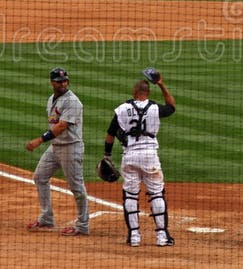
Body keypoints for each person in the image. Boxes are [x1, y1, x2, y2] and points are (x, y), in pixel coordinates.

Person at [103, 71, 176, 247]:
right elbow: (171, 106)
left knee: (130, 194)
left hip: (129, 156)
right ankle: (162, 237)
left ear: (134, 92)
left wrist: (107, 155)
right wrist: (161, 84)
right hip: (150, 156)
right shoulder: (155, 108)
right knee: (156, 193)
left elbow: (110, 134)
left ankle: (134, 236)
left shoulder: (122, 109)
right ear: (147, 93)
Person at [25, 67, 89, 236]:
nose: (63, 84)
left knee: (76, 187)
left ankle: (82, 225)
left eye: (65, 81)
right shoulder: (51, 99)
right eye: (59, 81)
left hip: (71, 148)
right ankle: (47, 217)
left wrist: (39, 140)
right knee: (40, 177)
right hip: (55, 147)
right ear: (52, 82)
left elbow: (61, 126)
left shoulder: (73, 102)